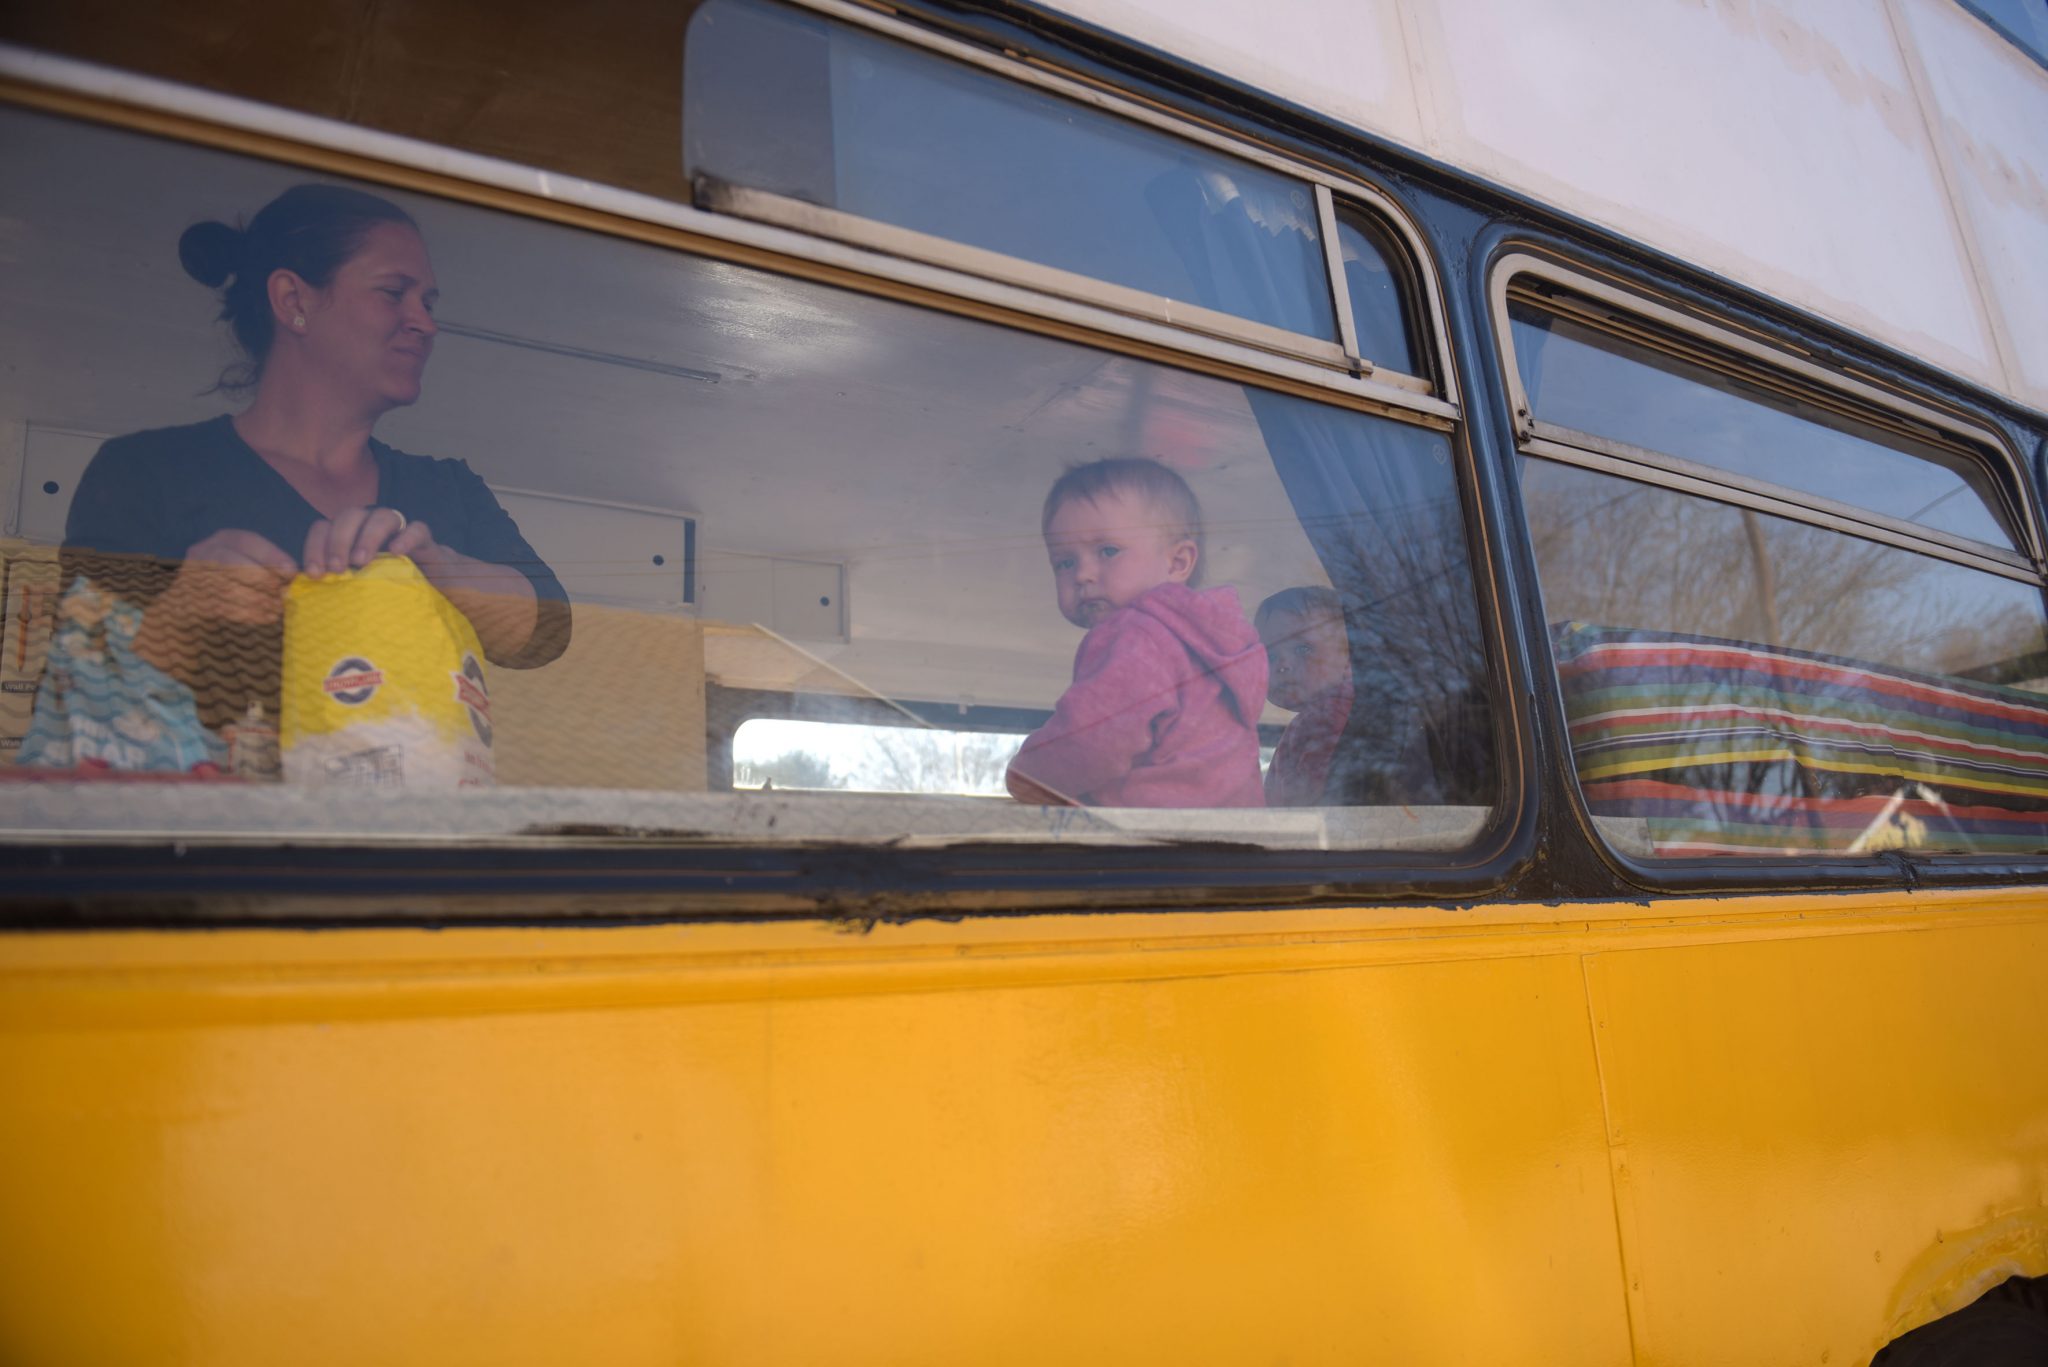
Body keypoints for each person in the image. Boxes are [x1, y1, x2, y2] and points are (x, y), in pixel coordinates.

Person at [58, 183, 569, 734]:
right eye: (394, 293)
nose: (425, 322)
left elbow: (546, 631)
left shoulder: (447, 489)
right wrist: (183, 611)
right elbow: (81, 687)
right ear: (293, 301)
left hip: (418, 791)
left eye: (428, 302)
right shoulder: (147, 472)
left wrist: (436, 562)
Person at [1005, 458, 1266, 808]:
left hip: (1150, 833)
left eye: (1108, 551)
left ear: (1177, 562)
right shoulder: (1212, 646)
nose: (1082, 574)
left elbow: (1091, 742)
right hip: (1230, 832)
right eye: (1065, 562)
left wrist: (1026, 776)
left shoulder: (1137, 633)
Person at [1255, 586, 1353, 806]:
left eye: (1302, 649)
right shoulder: (1316, 718)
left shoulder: (1330, 716)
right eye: (1270, 656)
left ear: (1348, 657)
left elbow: (1310, 800)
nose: (1283, 665)